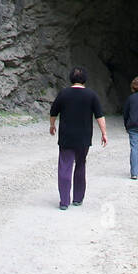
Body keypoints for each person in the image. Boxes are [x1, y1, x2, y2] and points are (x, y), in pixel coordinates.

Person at [49, 67, 107, 209]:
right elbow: (99, 115)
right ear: (85, 79)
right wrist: (104, 133)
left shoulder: (64, 93)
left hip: (66, 137)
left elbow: (53, 111)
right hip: (84, 137)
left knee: (65, 166)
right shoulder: (91, 95)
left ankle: (64, 201)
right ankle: (78, 198)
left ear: (71, 78)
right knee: (80, 165)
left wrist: (52, 125)